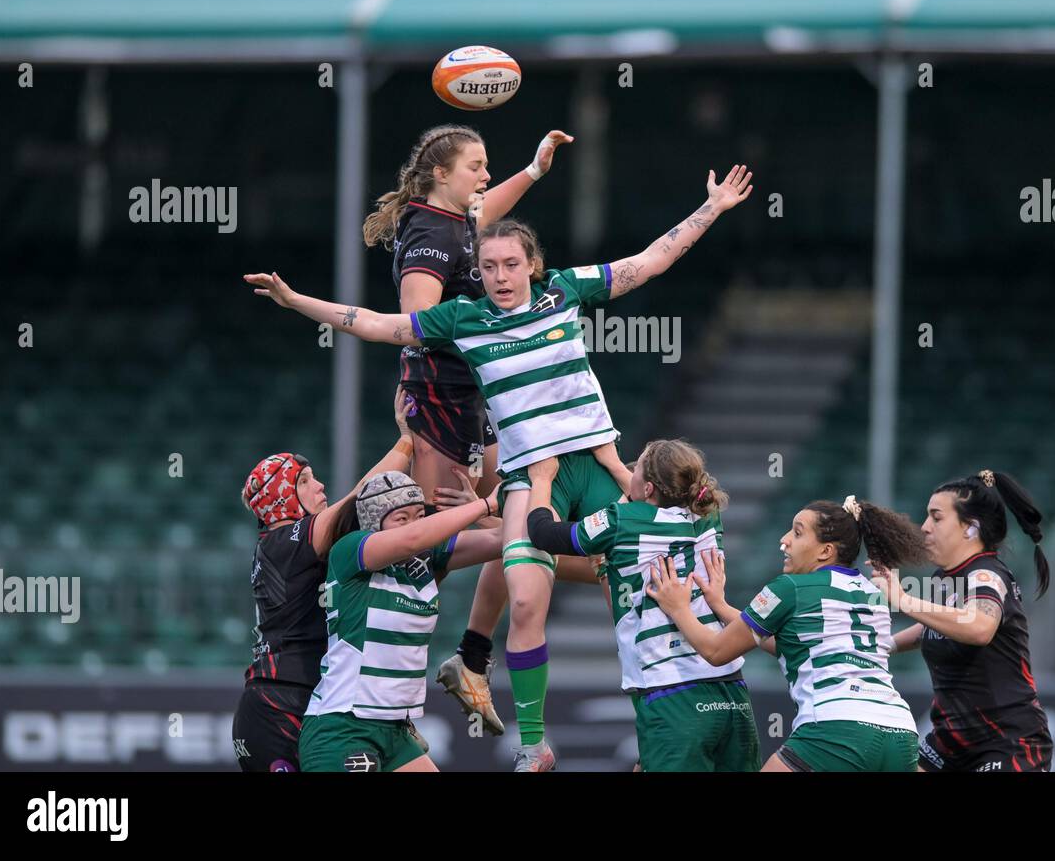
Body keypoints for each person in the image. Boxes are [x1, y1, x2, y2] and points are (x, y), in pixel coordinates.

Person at [244, 163, 754, 769]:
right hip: (530, 474)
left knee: (647, 569)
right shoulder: (464, 319)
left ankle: (654, 710)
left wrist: (714, 207)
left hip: (595, 460)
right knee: (527, 593)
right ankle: (534, 746)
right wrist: (295, 299)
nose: (500, 277)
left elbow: (650, 261)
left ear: (532, 265)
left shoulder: (566, 290)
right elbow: (379, 326)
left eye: (510, 265)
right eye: (487, 268)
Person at [362, 126, 573, 735]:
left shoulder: (452, 220)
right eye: (477, 166)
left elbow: (483, 218)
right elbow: (412, 324)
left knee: (495, 520)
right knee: (435, 543)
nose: (485, 176)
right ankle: (388, 678)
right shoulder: (430, 233)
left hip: (474, 398)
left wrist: (534, 170)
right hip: (442, 403)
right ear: (441, 176)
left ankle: (471, 657)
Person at [524, 440, 760, 772]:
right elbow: (657, 503)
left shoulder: (622, 520)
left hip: (672, 694)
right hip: (732, 693)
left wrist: (542, 479)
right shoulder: (708, 513)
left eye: (638, 466)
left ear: (648, 487)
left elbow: (543, 534)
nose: (630, 468)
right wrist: (615, 465)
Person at [647, 494, 926, 771]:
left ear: (825, 551)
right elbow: (792, 644)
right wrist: (720, 606)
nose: (784, 539)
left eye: (797, 532)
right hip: (899, 732)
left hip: (836, 729)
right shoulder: (872, 593)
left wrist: (678, 608)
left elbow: (716, 651)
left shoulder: (790, 587)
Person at [232, 387, 417, 772]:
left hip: (291, 701)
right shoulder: (285, 541)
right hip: (280, 709)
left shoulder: (276, 546)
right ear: (282, 498)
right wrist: (406, 443)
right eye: (305, 481)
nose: (319, 487)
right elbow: (361, 499)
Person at [297, 472, 503, 771]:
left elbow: (505, 540)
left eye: (420, 515)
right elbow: (412, 539)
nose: (415, 524)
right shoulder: (351, 549)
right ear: (375, 523)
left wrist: (484, 511)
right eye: (401, 518)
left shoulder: (425, 560)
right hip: (343, 727)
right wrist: (485, 505)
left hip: (395, 730)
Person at [872, 469, 1054, 772]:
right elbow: (935, 626)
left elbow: (979, 627)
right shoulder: (945, 579)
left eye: (936, 517)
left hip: (1008, 743)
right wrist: (879, 646)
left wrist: (904, 600)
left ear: (970, 528)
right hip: (950, 744)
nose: (925, 527)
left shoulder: (986, 575)